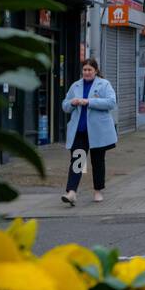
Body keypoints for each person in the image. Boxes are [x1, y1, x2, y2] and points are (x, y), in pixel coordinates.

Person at [61, 59, 117, 206]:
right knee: (77, 162)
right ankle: (71, 192)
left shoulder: (104, 84)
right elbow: (65, 106)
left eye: (89, 70)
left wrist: (89, 102)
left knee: (97, 162)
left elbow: (111, 102)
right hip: (79, 131)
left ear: (96, 71)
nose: (86, 72)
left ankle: (98, 191)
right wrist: (72, 103)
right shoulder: (76, 85)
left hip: (98, 132)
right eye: (84, 70)